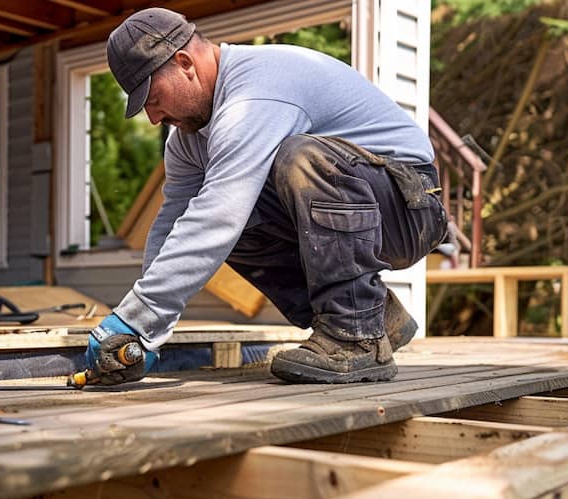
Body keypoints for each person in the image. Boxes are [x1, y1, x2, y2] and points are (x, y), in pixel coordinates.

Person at [84, 7, 450, 386]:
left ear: (184, 63)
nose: (153, 118)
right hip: (355, 201)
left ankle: (354, 338)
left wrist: (135, 317)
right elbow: (175, 226)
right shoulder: (186, 142)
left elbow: (219, 214)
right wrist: (143, 331)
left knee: (297, 161)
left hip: (408, 206)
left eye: (153, 97)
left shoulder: (254, 95)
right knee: (233, 219)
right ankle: (376, 317)